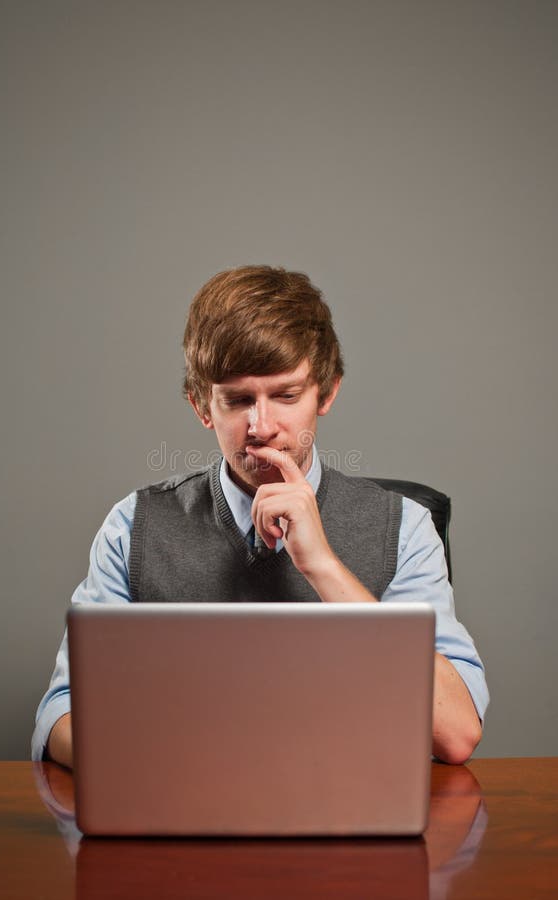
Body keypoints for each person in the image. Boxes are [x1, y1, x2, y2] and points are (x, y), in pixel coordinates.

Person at [32, 265, 489, 769]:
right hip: (177, 809)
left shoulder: (404, 526)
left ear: (328, 392)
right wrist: (159, 763)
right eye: (238, 400)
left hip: (349, 819)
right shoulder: (132, 526)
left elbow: (456, 732)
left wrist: (324, 568)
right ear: (202, 406)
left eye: (287, 396)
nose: (262, 427)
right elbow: (61, 711)